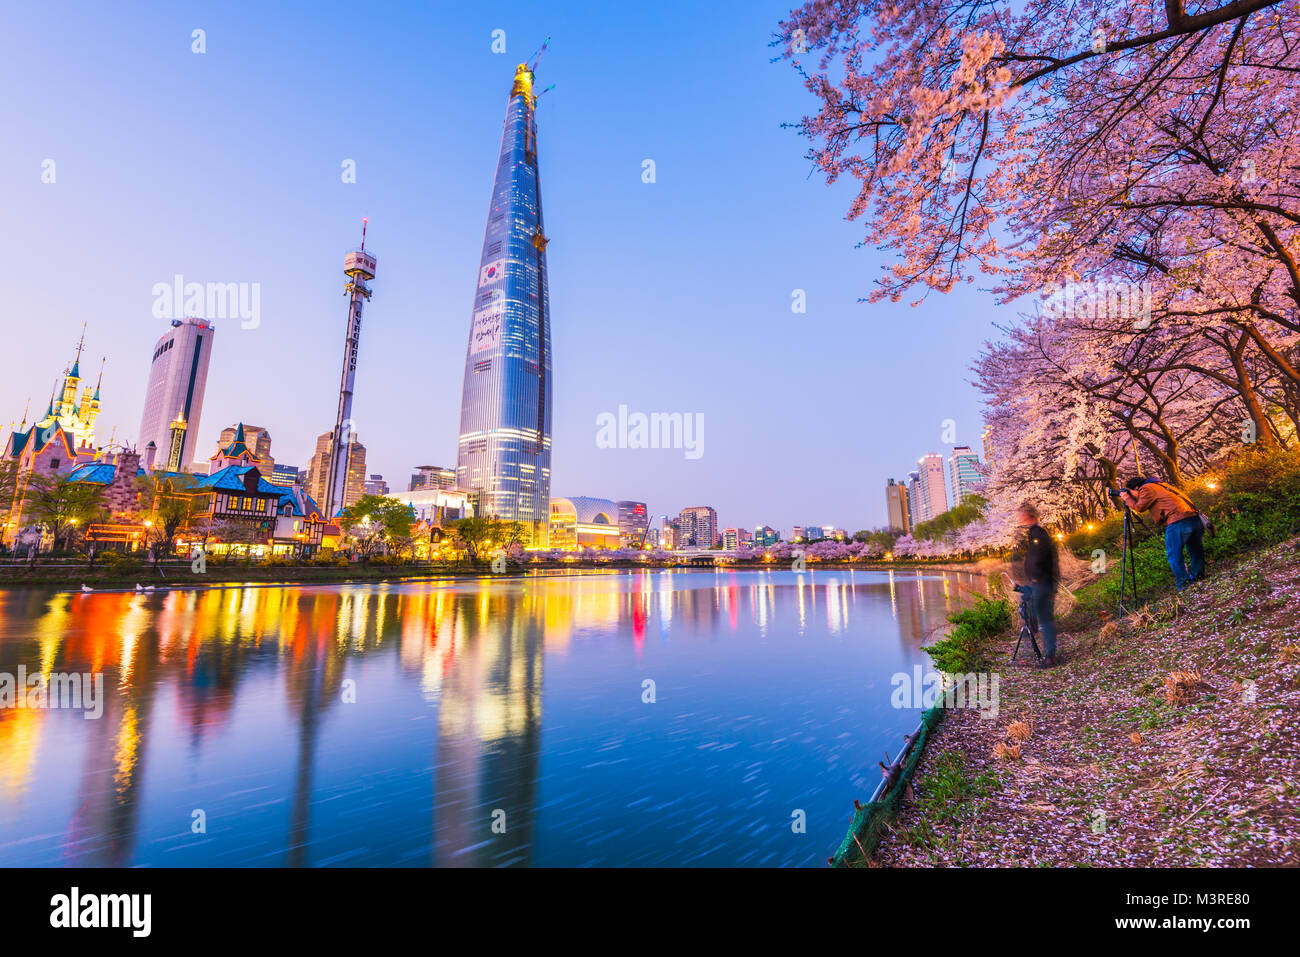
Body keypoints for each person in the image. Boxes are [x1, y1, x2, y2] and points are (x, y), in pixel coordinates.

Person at [1119, 476, 1205, 591]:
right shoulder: (1161, 485)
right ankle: (1198, 576)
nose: (1132, 495)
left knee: (1174, 554)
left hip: (1177, 522)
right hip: (1193, 518)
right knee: (1195, 550)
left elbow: (1139, 507)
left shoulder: (1146, 488)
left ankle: (1184, 584)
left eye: (1131, 492)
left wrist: (1126, 498)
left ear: (1136, 487)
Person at [1016, 502, 1060, 668]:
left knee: (1045, 619)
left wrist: (1035, 576)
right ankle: (1044, 652)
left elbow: (1038, 558)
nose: (1020, 519)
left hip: (1042, 582)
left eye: (1022, 515)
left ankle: (1049, 655)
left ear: (1029, 516)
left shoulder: (1038, 534)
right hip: (1041, 582)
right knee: (1031, 611)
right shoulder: (1035, 533)